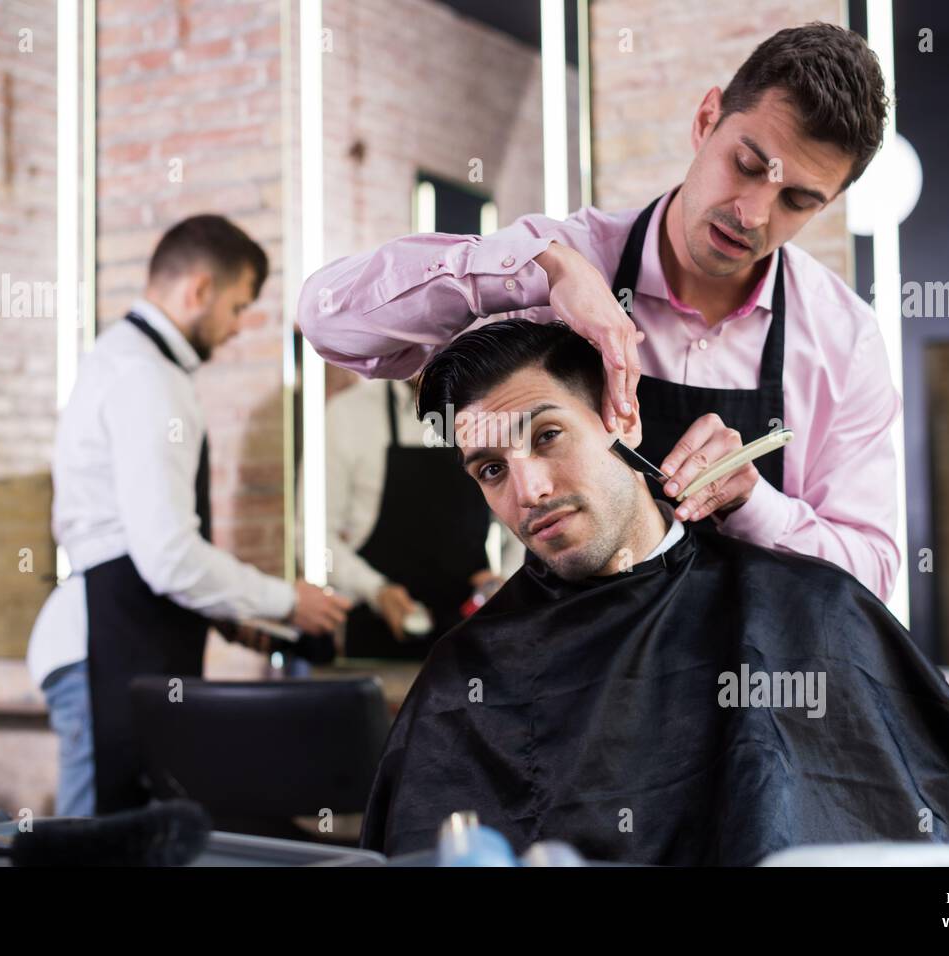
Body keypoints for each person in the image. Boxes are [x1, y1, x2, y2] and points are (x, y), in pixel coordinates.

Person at [360, 320, 949, 866]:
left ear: (622, 417)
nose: (527, 491)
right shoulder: (465, 673)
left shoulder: (808, 608)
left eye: (547, 435)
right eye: (492, 470)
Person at [299, 22, 901, 600]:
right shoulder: (560, 261)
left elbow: (871, 577)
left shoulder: (841, 338)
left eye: (796, 200)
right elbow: (330, 319)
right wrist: (542, 272)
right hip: (582, 682)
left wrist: (754, 503)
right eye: (745, 165)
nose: (753, 213)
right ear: (705, 119)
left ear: (830, 204)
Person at [27, 214, 350, 816]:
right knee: (97, 855)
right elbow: (167, 555)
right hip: (101, 645)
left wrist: (229, 614)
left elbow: (147, 548)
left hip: (115, 632)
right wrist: (286, 601)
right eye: (237, 306)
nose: (236, 329)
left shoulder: (123, 359)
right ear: (198, 290)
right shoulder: (147, 375)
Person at [317, 376, 522, 659]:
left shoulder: (492, 411)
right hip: (377, 639)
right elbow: (317, 538)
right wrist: (375, 590)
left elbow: (521, 522)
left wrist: (504, 583)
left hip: (471, 634)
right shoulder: (348, 414)